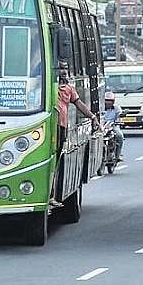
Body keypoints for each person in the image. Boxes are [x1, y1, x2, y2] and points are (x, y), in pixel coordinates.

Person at [54, 66, 99, 205]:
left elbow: (79, 104)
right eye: (61, 70)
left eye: (66, 71)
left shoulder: (68, 89)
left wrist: (92, 117)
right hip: (51, 128)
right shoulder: (48, 87)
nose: (64, 73)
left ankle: (53, 193)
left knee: (57, 159)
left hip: (62, 127)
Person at [102, 91, 124, 162]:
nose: (108, 103)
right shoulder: (101, 108)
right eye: (106, 101)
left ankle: (118, 155)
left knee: (119, 135)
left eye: (110, 101)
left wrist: (120, 119)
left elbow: (119, 115)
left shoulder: (116, 108)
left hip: (113, 126)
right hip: (102, 126)